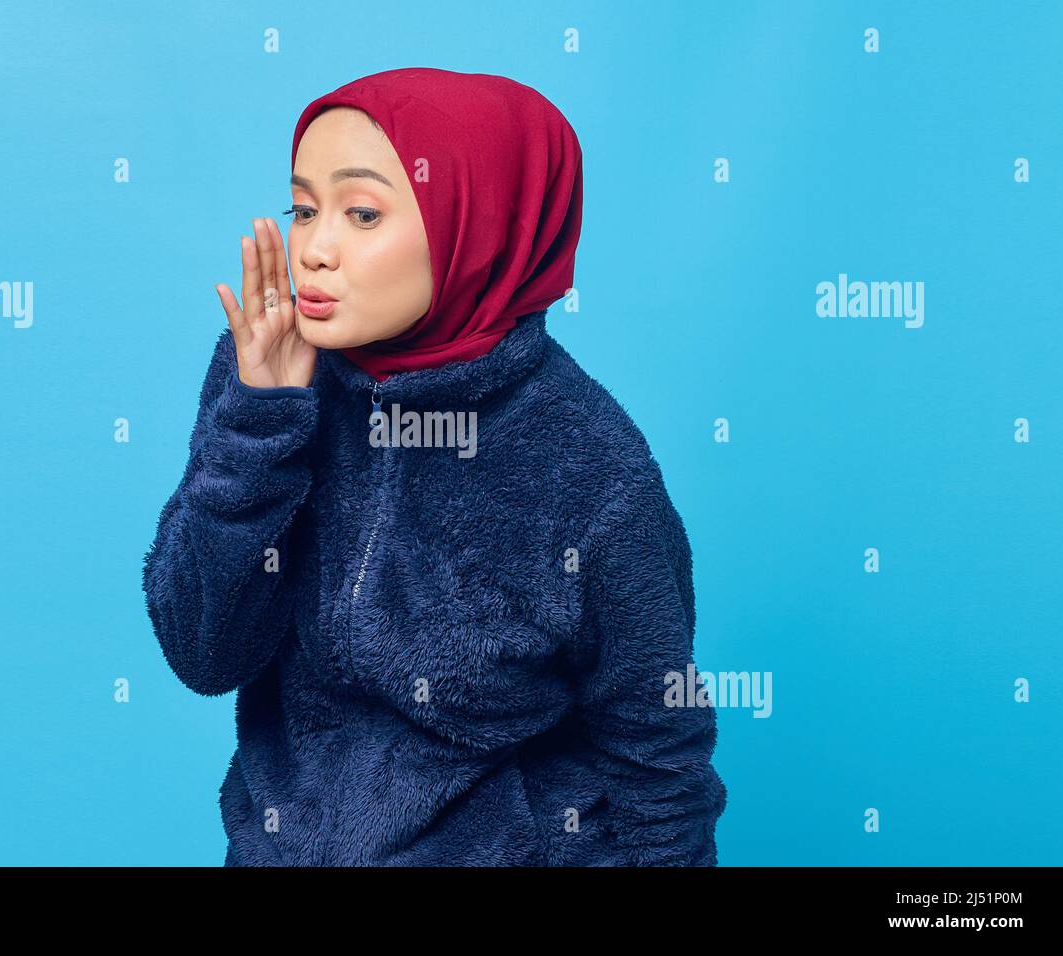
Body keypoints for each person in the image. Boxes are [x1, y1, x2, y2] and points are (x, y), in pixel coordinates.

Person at [142, 67, 728, 866]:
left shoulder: (590, 467)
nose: (314, 250)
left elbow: (660, 761)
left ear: (473, 225)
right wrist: (260, 424)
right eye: (303, 210)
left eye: (362, 213)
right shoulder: (268, 373)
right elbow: (204, 655)